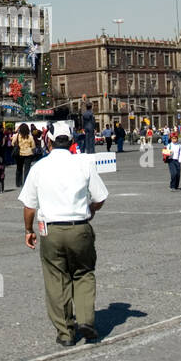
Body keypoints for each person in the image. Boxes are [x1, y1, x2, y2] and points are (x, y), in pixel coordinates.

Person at [18, 124, 109, 347]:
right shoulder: (84, 164)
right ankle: (86, 319)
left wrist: (29, 230)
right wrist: (90, 209)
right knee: (84, 273)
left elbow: (29, 206)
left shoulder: (39, 167)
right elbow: (100, 197)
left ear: (48, 141)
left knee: (56, 278)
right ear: (71, 141)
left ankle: (66, 331)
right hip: (79, 226)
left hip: (51, 230)